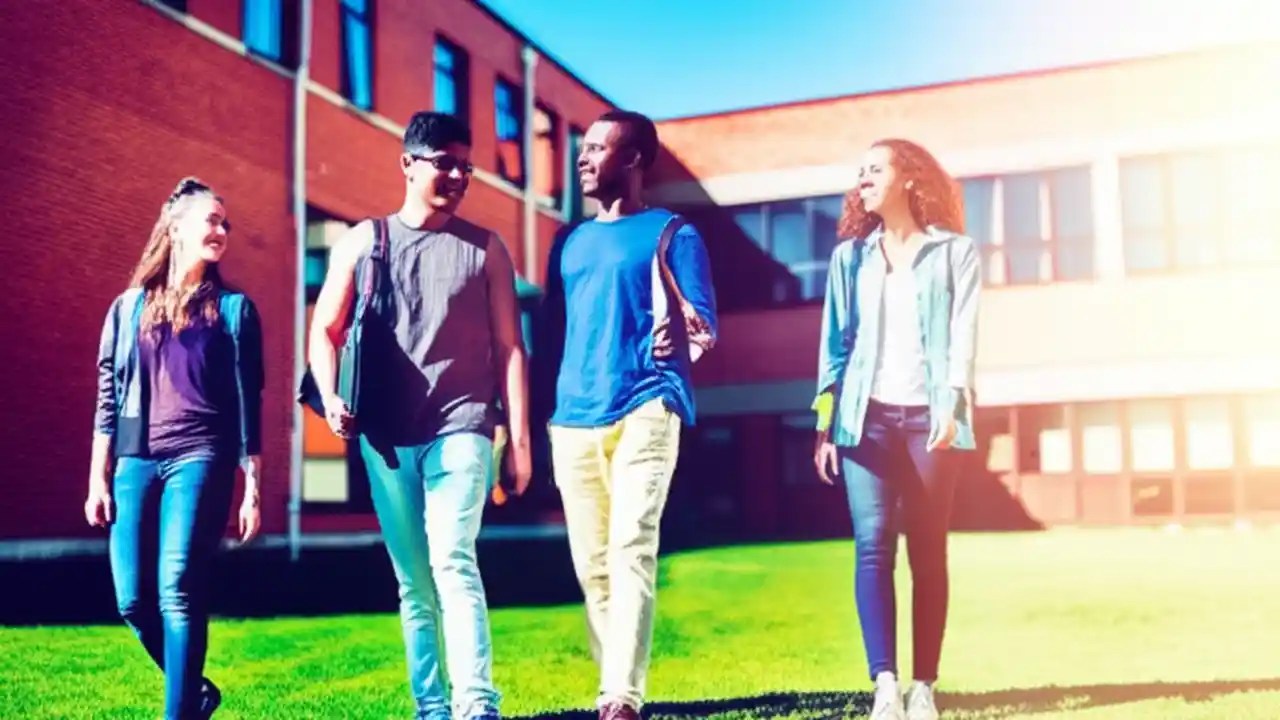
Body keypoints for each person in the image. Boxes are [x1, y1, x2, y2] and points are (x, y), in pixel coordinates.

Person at [308, 111, 530, 720]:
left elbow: (511, 347)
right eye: (445, 163)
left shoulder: (487, 249)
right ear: (407, 162)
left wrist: (520, 441)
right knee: (415, 583)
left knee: (452, 557)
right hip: (385, 436)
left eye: (467, 166)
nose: (458, 175)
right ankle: (432, 708)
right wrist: (330, 398)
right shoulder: (362, 241)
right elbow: (323, 331)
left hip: (462, 426)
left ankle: (476, 704)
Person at [536, 110, 717, 720]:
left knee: (631, 546)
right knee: (592, 566)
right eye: (582, 149)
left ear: (633, 159)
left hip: (647, 402)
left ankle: (621, 698)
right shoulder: (568, 241)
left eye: (596, 148)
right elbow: (552, 332)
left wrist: (693, 333)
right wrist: (539, 419)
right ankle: (613, 684)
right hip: (572, 417)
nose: (583, 158)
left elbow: (702, 326)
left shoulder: (672, 234)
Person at [812, 139, 980, 720]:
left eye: (874, 170)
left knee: (928, 551)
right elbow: (833, 348)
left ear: (908, 178)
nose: (863, 180)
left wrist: (952, 406)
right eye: (858, 173)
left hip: (931, 420)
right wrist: (824, 426)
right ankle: (885, 684)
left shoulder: (955, 252)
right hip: (867, 419)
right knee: (871, 546)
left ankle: (923, 687)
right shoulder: (849, 259)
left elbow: (963, 336)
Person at [86, 177, 263, 720]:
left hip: (200, 456)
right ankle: (197, 694)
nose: (221, 231)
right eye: (211, 220)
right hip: (137, 459)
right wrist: (98, 474)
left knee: (178, 589)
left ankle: (179, 714)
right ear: (176, 227)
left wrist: (252, 485)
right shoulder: (128, 307)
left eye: (225, 224)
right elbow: (109, 393)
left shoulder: (233, 310)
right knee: (132, 598)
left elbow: (248, 400)